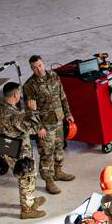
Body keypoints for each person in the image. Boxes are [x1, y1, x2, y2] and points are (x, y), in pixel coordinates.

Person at [22, 55, 75, 195]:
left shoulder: (53, 76)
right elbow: (30, 110)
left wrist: (68, 114)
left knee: (59, 148)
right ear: (31, 68)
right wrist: (38, 127)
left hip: (58, 120)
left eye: (39, 65)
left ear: (43, 63)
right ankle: (48, 180)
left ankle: (58, 171)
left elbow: (62, 96)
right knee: (46, 153)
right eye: (34, 68)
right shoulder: (29, 85)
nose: (38, 69)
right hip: (45, 125)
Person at [0, 82, 46, 219]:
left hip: (9, 147)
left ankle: (30, 200)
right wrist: (33, 110)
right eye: (20, 94)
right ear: (16, 95)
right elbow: (33, 128)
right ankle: (27, 210)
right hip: (20, 151)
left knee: (27, 176)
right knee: (26, 178)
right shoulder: (14, 115)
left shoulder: (1, 109)